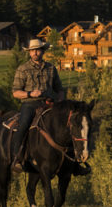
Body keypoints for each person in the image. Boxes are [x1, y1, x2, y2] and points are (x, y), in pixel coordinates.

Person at [10, 38, 89, 174]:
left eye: (38, 50)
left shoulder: (51, 68)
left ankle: (74, 163)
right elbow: (16, 92)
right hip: (30, 103)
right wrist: (30, 93)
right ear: (29, 53)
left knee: (68, 125)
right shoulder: (23, 69)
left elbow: (59, 89)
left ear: (42, 51)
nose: (35, 53)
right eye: (33, 50)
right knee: (23, 124)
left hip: (49, 103)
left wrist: (60, 101)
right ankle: (17, 158)